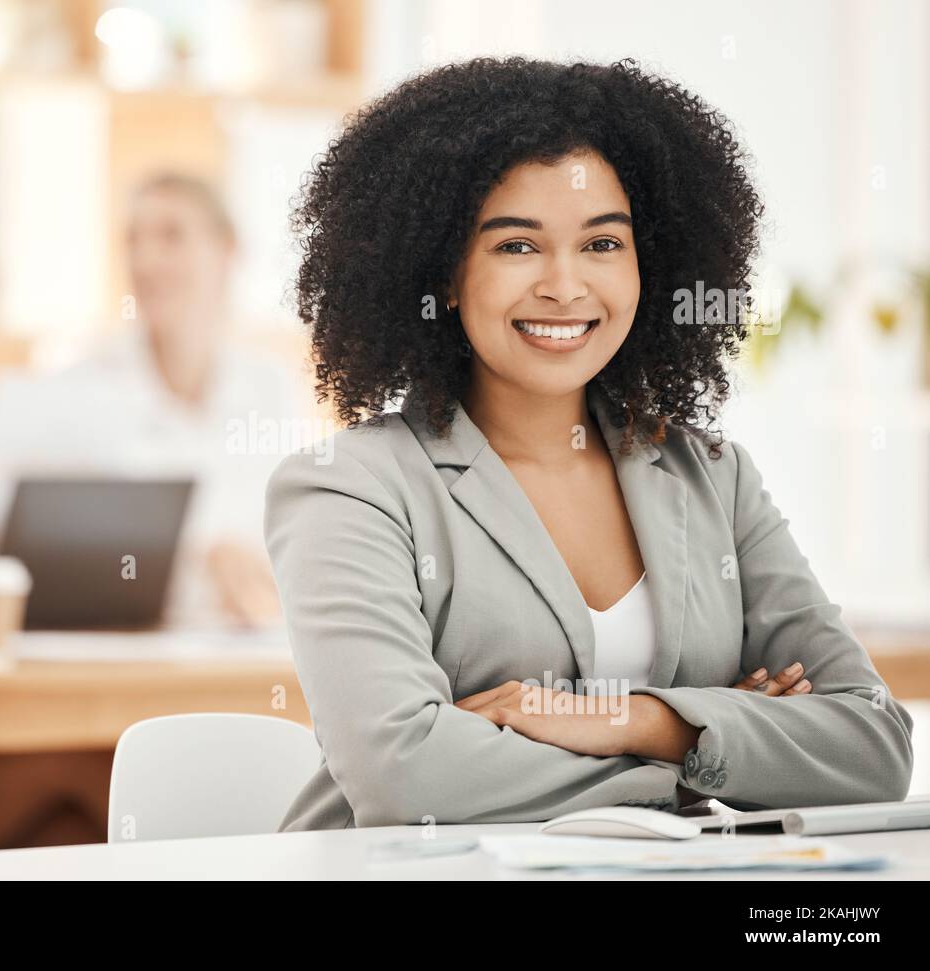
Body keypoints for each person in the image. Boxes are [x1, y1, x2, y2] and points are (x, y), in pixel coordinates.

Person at [263, 56, 914, 831]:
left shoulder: (712, 477)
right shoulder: (351, 488)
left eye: (603, 244)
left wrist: (639, 720)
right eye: (516, 246)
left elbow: (872, 744)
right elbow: (409, 778)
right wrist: (708, 750)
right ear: (442, 274)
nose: (566, 286)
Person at [0, 172, 306, 629]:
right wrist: (206, 553)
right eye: (134, 240)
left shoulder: (270, 387)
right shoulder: (76, 389)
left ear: (228, 249)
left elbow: (291, 542)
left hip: (243, 653)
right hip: (123, 656)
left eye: (172, 236)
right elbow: (29, 549)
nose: (146, 260)